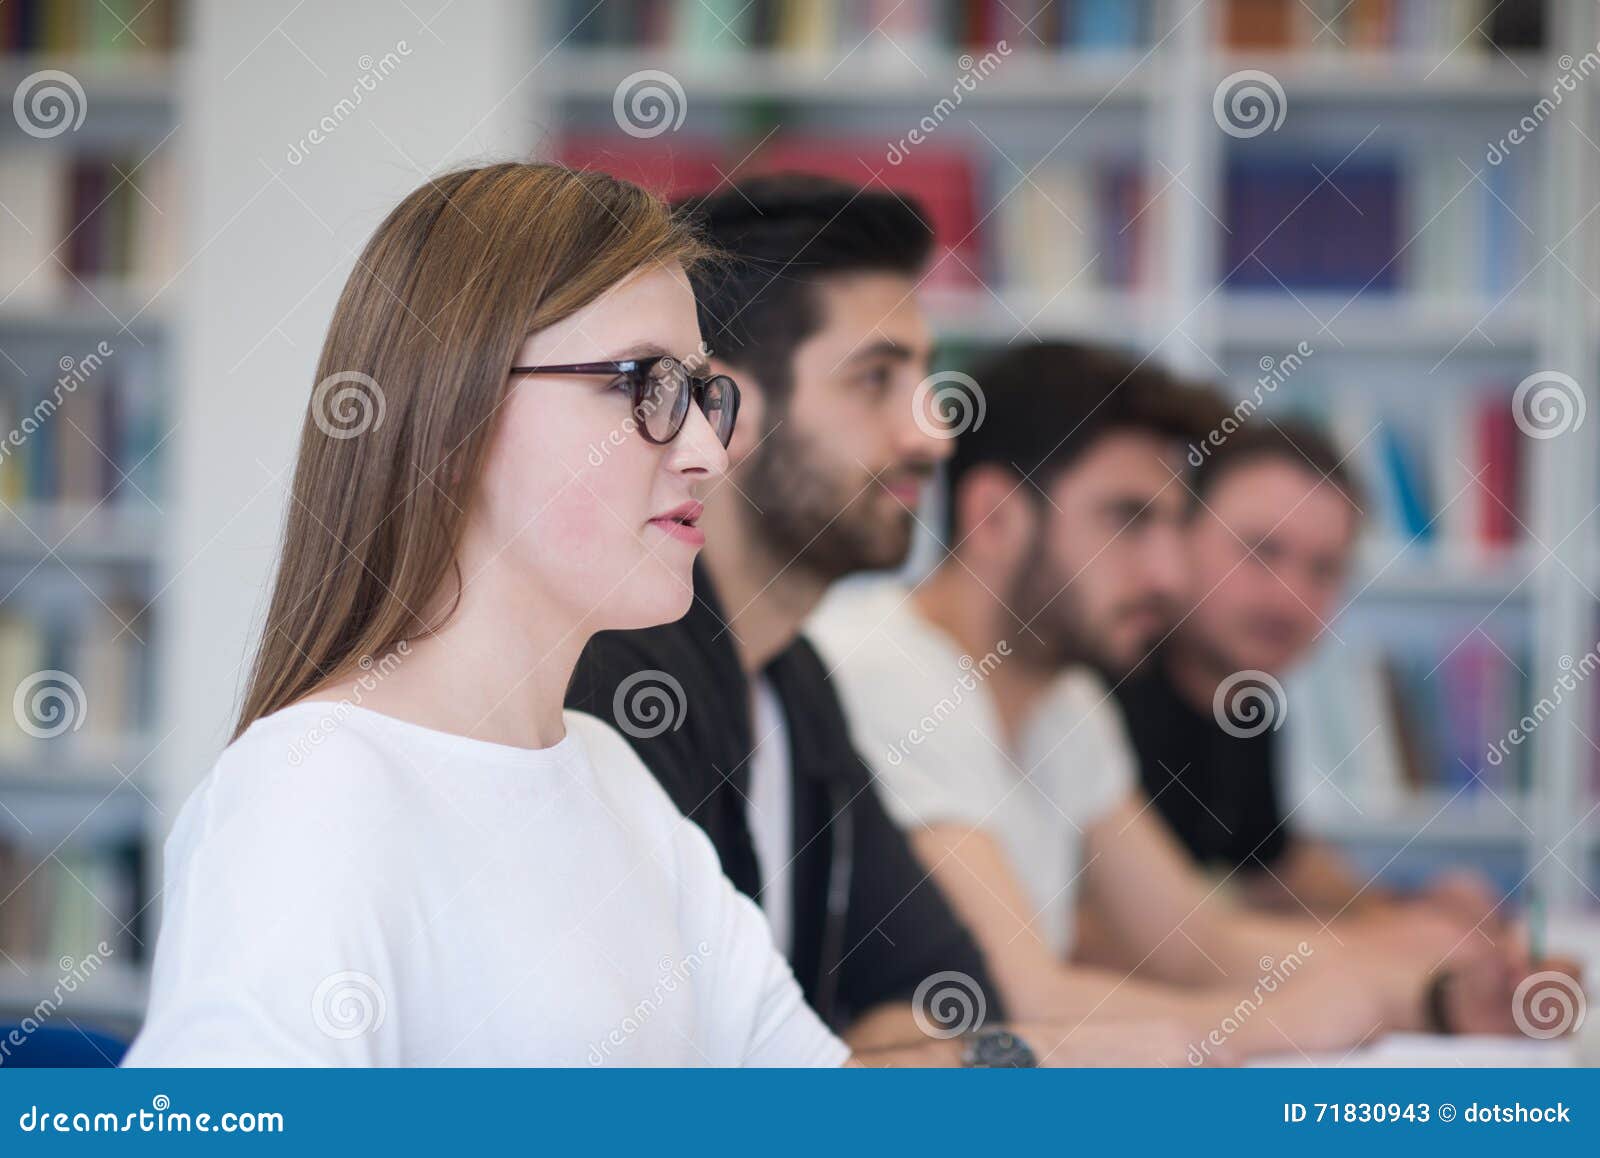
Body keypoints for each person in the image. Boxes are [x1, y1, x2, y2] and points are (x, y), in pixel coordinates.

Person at [126, 162, 849, 1066]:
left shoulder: (614, 778)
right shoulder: (309, 795)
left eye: (703, 393)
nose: (709, 449)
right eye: (643, 384)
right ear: (456, 413)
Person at [566, 176, 1191, 1066]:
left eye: (925, 379)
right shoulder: (619, 685)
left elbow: (944, 995)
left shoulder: (797, 682)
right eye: (876, 379)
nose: (933, 434)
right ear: (723, 409)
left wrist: (912, 1057)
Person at [810, 341, 1557, 1056]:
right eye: (1128, 519)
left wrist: (1431, 988)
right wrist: (1299, 1016)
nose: (1169, 572)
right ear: (995, 516)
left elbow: (1194, 942)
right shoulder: (889, 671)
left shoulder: (1065, 699)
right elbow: (1017, 999)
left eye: (1172, 524)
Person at [1116, 420, 1501, 925]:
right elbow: (1132, 929)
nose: (1289, 598)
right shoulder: (1104, 694)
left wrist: (1415, 913)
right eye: (1260, 551)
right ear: (1178, 537)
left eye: (1323, 569)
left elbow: (1269, 868)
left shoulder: (1248, 700)